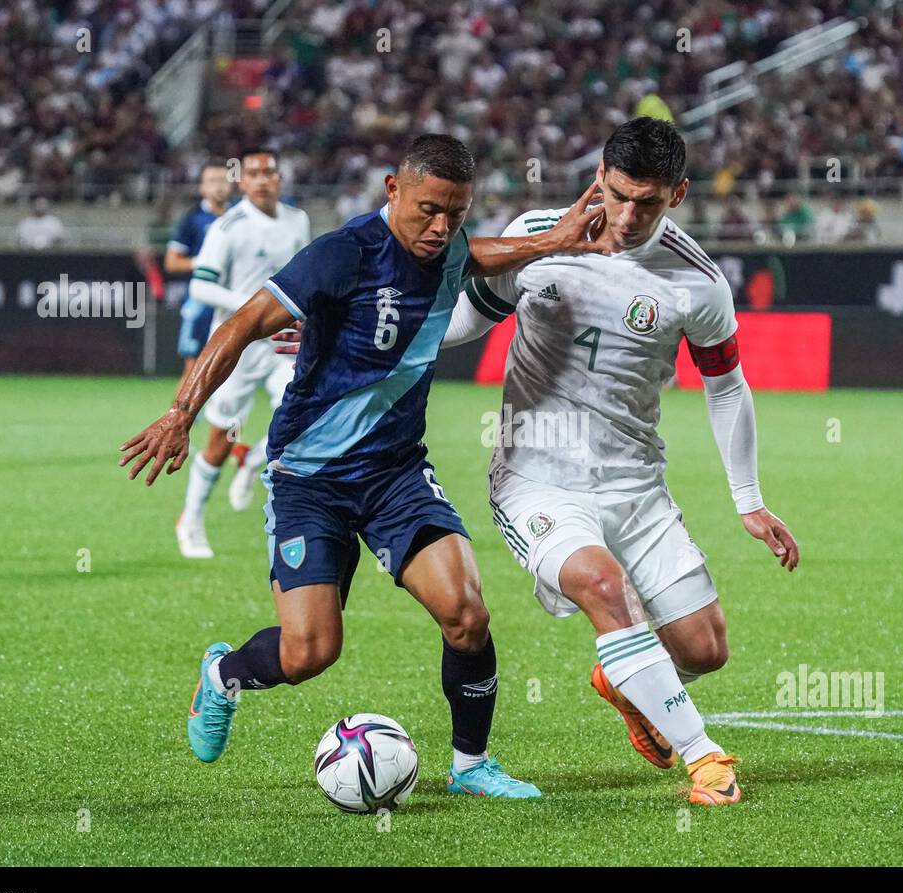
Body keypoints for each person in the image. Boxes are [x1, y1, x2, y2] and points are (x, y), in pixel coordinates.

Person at [119, 134, 609, 799]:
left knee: (466, 614)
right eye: (428, 209)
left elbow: (474, 255)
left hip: (395, 473)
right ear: (392, 188)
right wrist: (181, 411)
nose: (440, 228)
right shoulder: (340, 256)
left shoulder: (448, 244)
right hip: (308, 479)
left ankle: (471, 764)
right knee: (310, 652)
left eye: (455, 213)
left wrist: (553, 242)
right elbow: (241, 323)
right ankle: (222, 676)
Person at [442, 118, 800, 804]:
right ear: (598, 175)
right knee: (606, 591)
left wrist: (748, 499)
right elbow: (460, 322)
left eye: (649, 202)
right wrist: (364, 339)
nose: (628, 216)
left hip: (635, 482)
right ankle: (706, 759)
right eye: (618, 194)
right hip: (536, 478)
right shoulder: (541, 235)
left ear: (679, 194)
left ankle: (623, 679)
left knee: (703, 649)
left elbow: (727, 386)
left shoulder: (697, 284)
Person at [175, 148, 309, 557]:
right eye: (255, 173)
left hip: (284, 344)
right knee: (218, 438)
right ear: (243, 182)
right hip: (238, 346)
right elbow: (200, 285)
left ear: (279, 178)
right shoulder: (227, 227)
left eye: (270, 172)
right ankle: (192, 519)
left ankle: (251, 463)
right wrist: (252, 306)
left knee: (304, 417)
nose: (264, 179)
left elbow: (306, 276)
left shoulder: (297, 220)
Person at [164, 162, 232, 392]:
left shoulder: (239, 218)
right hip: (201, 302)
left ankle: (225, 425)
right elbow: (171, 262)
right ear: (202, 187)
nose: (219, 186)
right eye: (212, 181)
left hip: (231, 300)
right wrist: (202, 263)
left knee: (232, 369)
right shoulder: (192, 219)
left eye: (223, 180)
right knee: (193, 366)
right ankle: (175, 425)